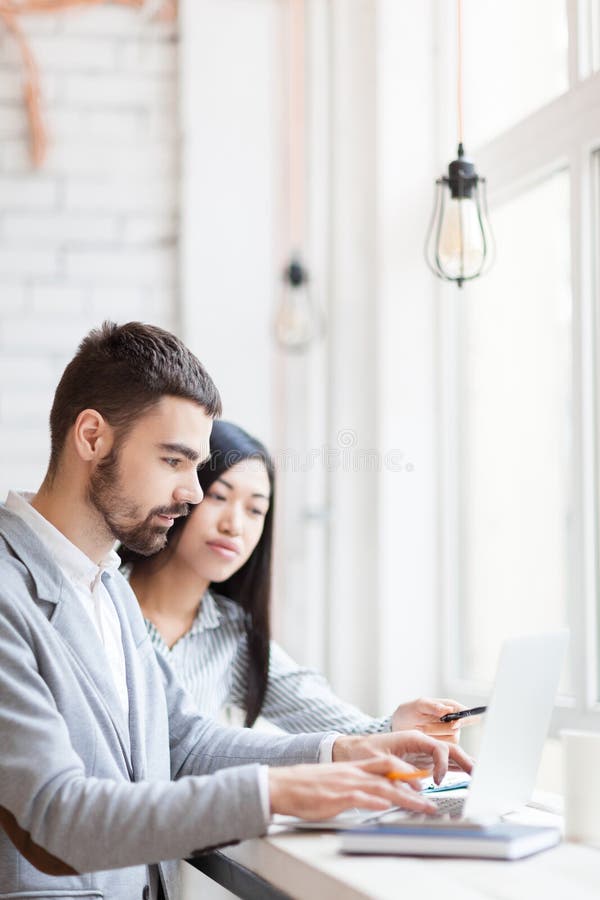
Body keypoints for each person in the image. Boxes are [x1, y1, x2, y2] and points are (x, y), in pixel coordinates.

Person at [0, 321, 472, 900]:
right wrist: (276, 796)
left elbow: (186, 744)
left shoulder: (110, 590)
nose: (195, 494)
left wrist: (342, 750)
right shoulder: (7, 592)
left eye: (197, 468)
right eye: (174, 461)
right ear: (93, 437)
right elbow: (55, 815)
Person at [123, 420, 468, 738]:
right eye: (218, 497)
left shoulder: (233, 635)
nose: (234, 525)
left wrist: (396, 728)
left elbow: (343, 727)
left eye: (255, 509)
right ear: (183, 492)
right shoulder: (102, 598)